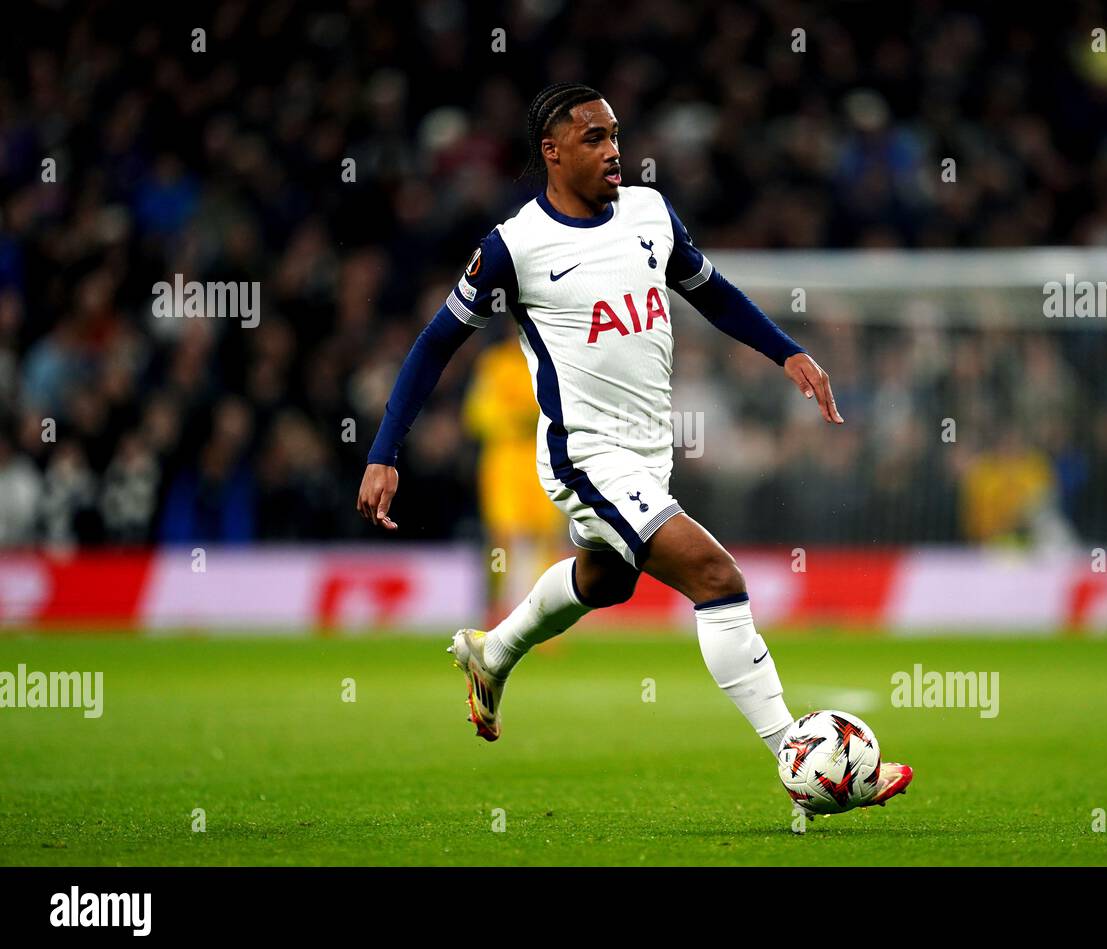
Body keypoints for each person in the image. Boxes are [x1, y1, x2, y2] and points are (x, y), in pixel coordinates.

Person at [357, 83, 911, 809]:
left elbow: (709, 289)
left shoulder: (650, 213)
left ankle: (492, 653)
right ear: (552, 153)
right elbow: (433, 346)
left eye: (616, 134)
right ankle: (801, 761)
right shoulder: (514, 247)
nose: (614, 150)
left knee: (608, 580)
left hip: (649, 453)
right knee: (717, 578)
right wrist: (383, 451)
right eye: (593, 139)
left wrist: (788, 353)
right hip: (585, 458)